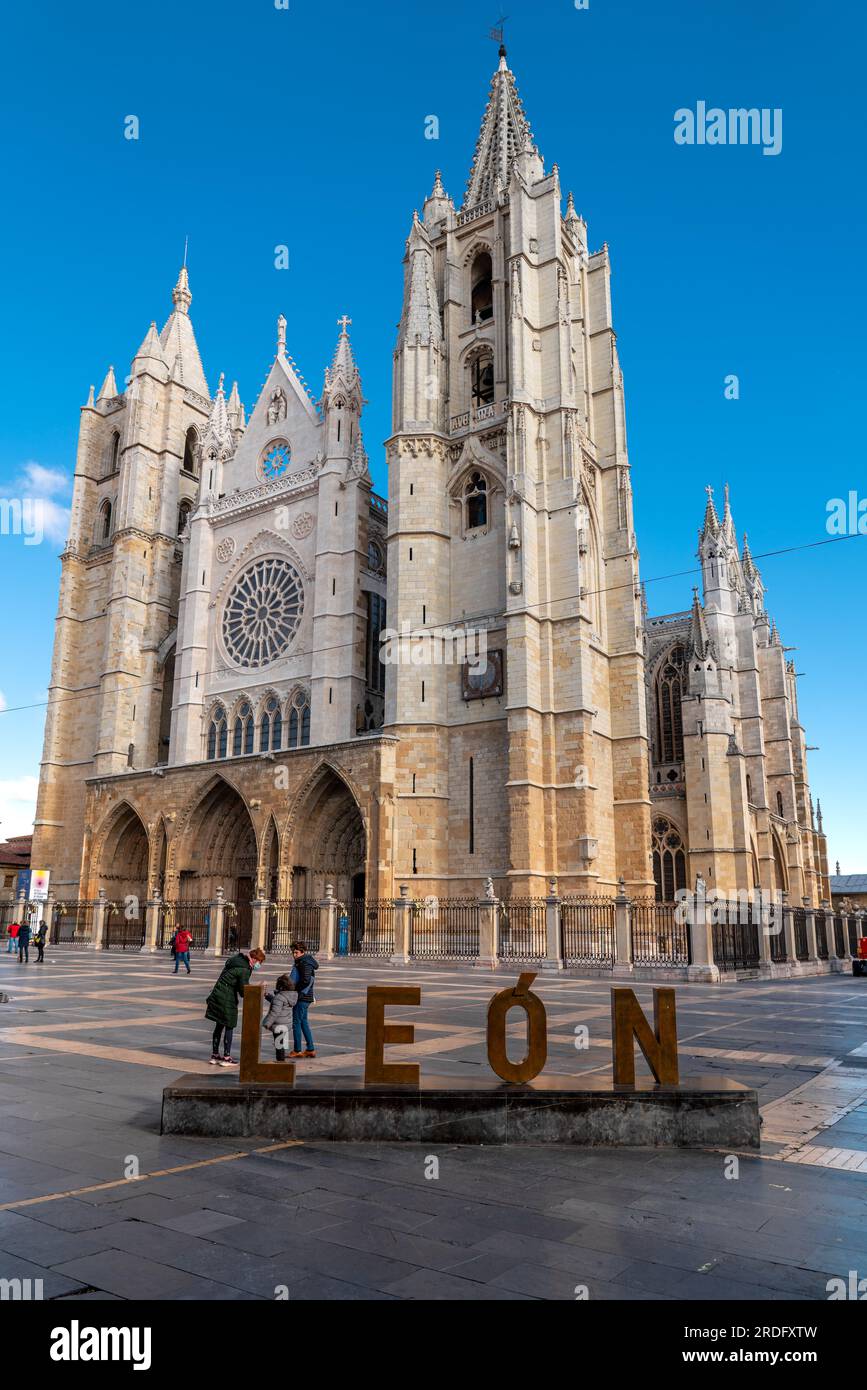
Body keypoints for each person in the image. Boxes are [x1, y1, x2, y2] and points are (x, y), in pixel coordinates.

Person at [204, 947, 266, 1066]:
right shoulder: (244, 969)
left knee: (219, 1024)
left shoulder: (236, 961)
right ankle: (226, 1058)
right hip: (227, 997)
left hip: (218, 993)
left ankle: (215, 1055)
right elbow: (243, 990)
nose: (259, 964)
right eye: (259, 961)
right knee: (229, 1024)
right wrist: (256, 987)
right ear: (253, 959)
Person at [289, 941, 318, 1059]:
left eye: (296, 952)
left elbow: (306, 980)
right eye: (293, 952)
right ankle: (310, 1049)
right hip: (305, 997)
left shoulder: (304, 963)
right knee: (303, 1021)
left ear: (302, 952)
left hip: (302, 997)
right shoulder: (303, 961)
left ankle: (297, 1050)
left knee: (296, 1022)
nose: (294, 955)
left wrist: (296, 990)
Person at [262, 973, 298, 1062]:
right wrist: (266, 995)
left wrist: (267, 1023)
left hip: (279, 1025)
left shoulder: (279, 997)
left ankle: (281, 1063)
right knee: (282, 1045)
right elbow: (277, 1001)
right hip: (286, 1025)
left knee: (279, 1047)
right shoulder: (290, 995)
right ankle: (282, 1061)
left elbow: (275, 1012)